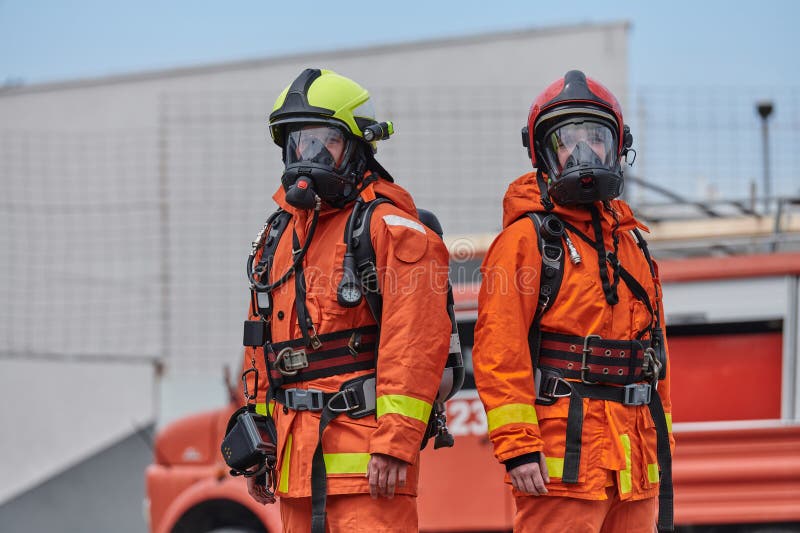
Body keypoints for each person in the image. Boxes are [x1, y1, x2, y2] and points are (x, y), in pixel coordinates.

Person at [241, 68, 453, 533]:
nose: (307, 156)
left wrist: (396, 443)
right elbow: (261, 349)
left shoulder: (390, 230)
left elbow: (414, 344)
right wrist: (258, 442)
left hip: (369, 471)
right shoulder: (276, 238)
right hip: (295, 473)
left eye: (322, 142)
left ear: (357, 146)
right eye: (298, 142)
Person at [472, 70, 675, 533]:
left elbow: (655, 360)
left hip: (635, 466)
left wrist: (663, 449)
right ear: (544, 153)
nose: (584, 153)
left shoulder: (632, 244)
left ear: (618, 146)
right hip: (563, 464)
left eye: (595, 138)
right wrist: (519, 446)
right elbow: (498, 351)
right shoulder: (525, 241)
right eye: (568, 140)